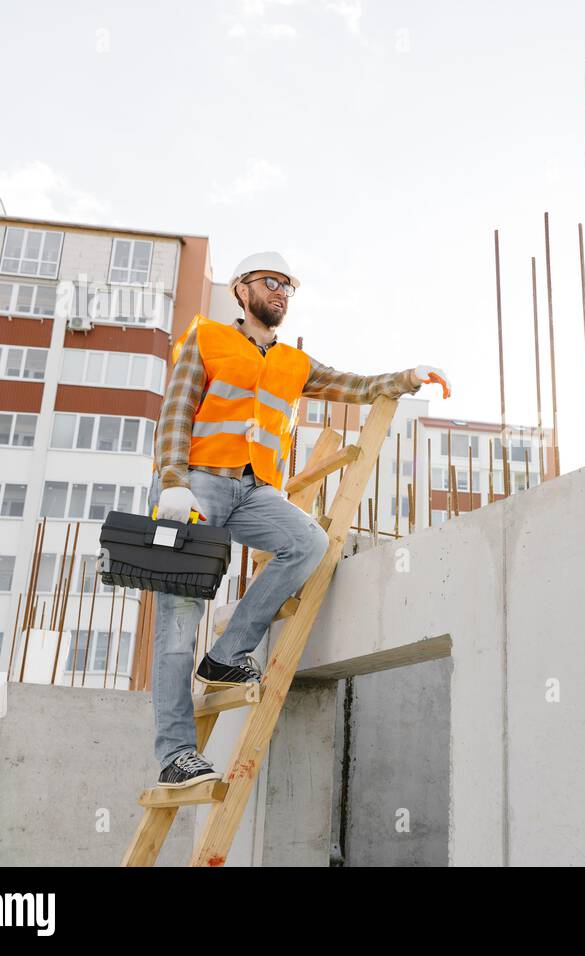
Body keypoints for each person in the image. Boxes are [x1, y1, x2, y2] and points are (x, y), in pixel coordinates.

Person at [149, 250, 449, 788]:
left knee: (308, 543)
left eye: (289, 286)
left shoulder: (294, 362)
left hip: (254, 489)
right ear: (242, 290)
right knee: (178, 620)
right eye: (271, 282)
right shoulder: (207, 339)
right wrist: (172, 480)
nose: (282, 292)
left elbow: (353, 386)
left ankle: (226, 655)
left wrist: (407, 377)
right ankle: (176, 755)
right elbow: (175, 411)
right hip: (195, 483)